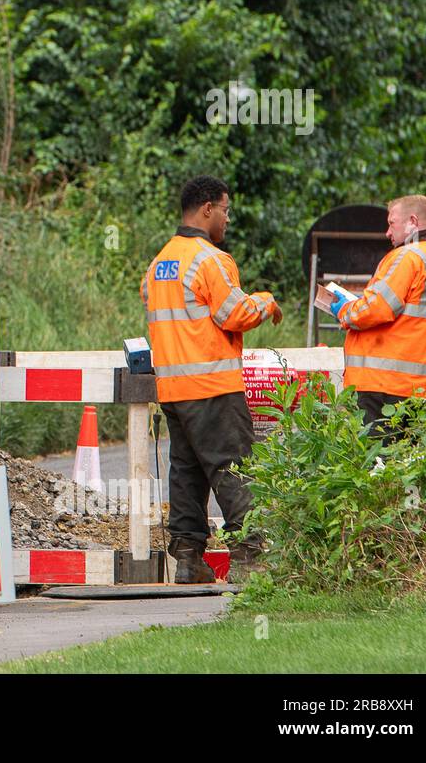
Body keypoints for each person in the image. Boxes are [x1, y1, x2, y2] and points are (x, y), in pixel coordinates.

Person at [142, 176, 283, 583]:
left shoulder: (158, 264)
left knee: (185, 475)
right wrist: (266, 300)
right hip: (213, 389)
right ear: (207, 208)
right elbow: (235, 314)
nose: (226, 219)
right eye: (225, 209)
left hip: (173, 390)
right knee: (233, 470)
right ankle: (250, 562)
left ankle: (188, 562)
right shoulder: (211, 260)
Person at [335, 195, 426, 431]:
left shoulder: (408, 257)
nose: (387, 232)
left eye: (392, 223)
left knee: (379, 464)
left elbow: (374, 309)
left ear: (412, 221)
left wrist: (343, 309)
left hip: (388, 390)